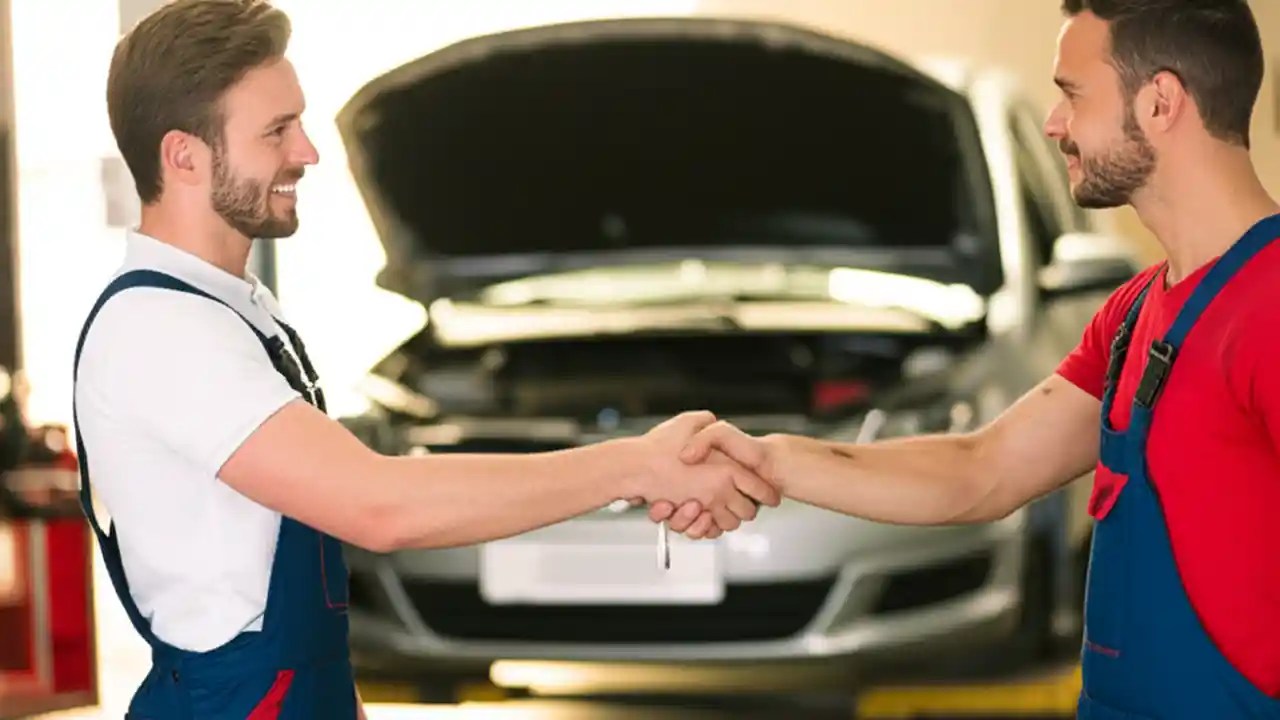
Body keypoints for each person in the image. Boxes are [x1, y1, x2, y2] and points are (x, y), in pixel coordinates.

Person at [72, 1, 777, 718]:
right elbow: (381, 506)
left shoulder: (235, 308)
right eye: (276, 131)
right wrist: (634, 464)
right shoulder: (162, 330)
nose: (307, 152)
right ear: (183, 155)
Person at [662, 0, 1280, 717]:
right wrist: (769, 461)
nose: (1054, 123)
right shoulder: (1135, 312)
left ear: (1161, 101)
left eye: (1072, 93)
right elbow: (980, 471)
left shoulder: (1268, 305)